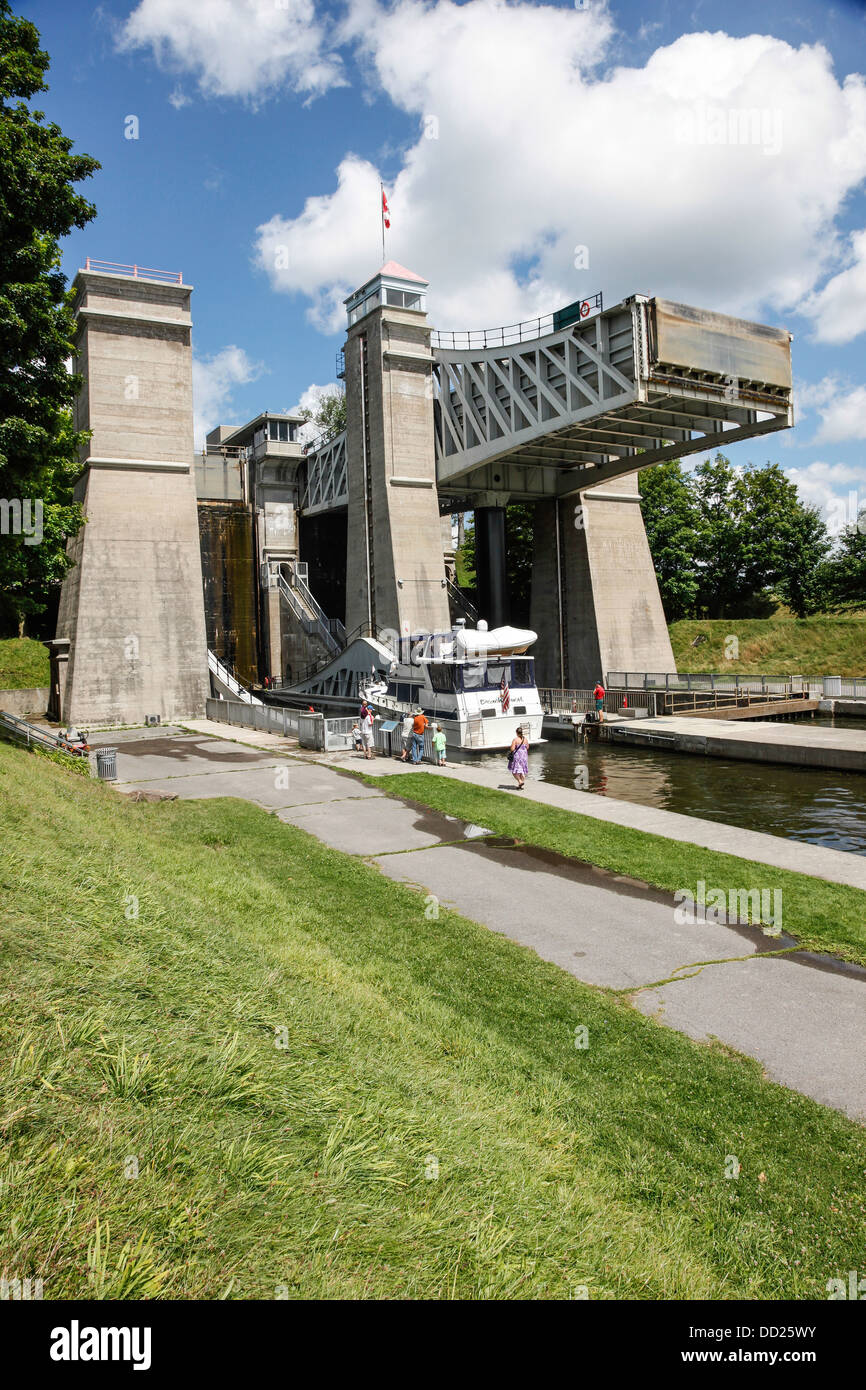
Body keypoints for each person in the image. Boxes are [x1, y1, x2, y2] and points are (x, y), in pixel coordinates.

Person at [508, 725, 529, 789]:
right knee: (522, 771)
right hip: (524, 757)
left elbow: (512, 749)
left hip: (517, 757)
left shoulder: (515, 739)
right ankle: (520, 784)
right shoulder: (525, 739)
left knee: (514, 771)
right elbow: (527, 747)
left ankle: (520, 781)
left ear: (516, 732)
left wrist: (511, 746)